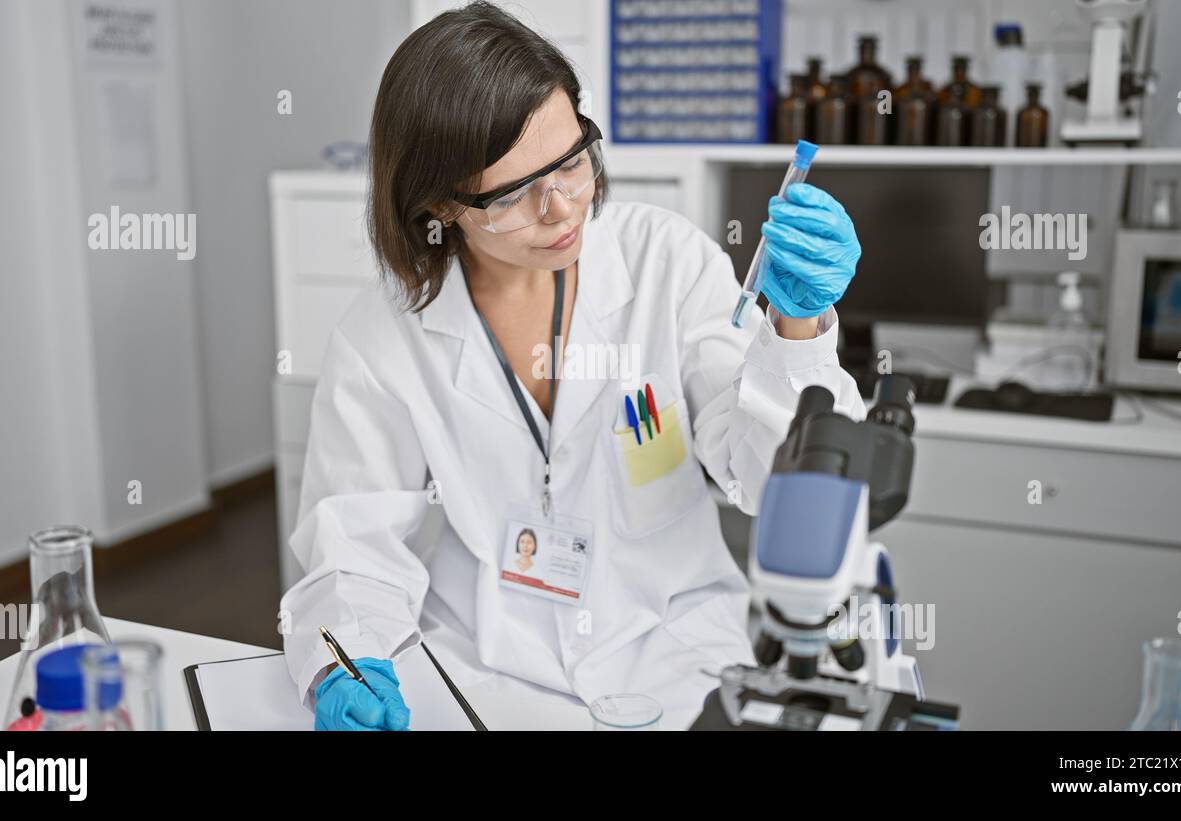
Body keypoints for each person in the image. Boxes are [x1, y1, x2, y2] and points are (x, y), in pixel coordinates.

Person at [281, 2, 864, 731]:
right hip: (486, 676)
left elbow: (769, 476)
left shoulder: (666, 263)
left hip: (676, 662)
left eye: (570, 162)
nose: (560, 209)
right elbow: (353, 546)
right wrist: (352, 658)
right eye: (514, 192)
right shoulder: (383, 337)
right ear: (441, 204)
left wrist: (798, 328)